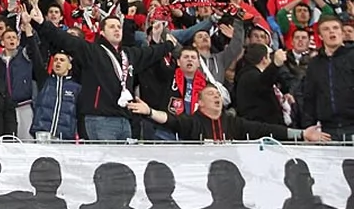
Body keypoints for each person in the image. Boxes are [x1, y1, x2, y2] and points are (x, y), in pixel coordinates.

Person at [36, 16, 178, 140]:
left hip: (125, 121)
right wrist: (42, 23)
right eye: (111, 27)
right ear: (102, 32)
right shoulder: (92, 51)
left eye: (118, 27)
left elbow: (150, 54)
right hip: (100, 119)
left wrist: (166, 44)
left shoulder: (129, 55)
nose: (117, 30)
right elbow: (64, 39)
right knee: (107, 168)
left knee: (122, 168)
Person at [128, 83, 330, 142]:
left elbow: (267, 130)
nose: (217, 97)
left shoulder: (234, 123)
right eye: (211, 94)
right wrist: (150, 111)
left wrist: (302, 134)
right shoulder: (192, 121)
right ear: (200, 102)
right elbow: (170, 120)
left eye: (218, 94)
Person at [302, 15, 354, 140]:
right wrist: (309, 129)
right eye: (326, 29)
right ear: (320, 36)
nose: (332, 31)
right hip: (327, 131)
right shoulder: (314, 64)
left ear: (342, 33)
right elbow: (309, 98)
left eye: (335, 28)